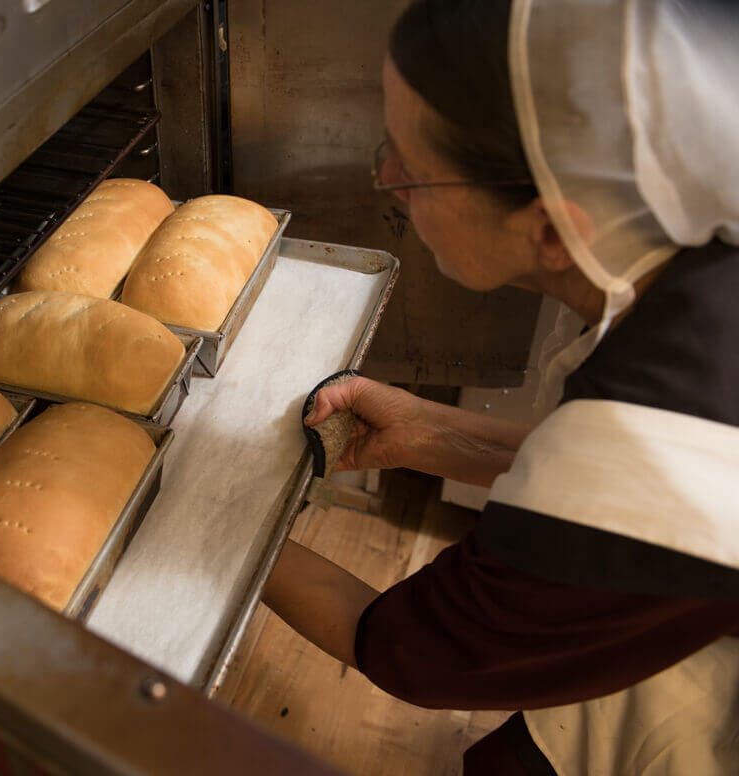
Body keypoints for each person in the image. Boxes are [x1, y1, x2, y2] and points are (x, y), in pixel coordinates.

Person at [262, 0, 739, 773]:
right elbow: (605, 500)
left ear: (553, 231)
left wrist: (206, 520)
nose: (385, 177)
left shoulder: (658, 452)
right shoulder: (700, 262)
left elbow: (412, 649)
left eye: (411, 173)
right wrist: (432, 432)